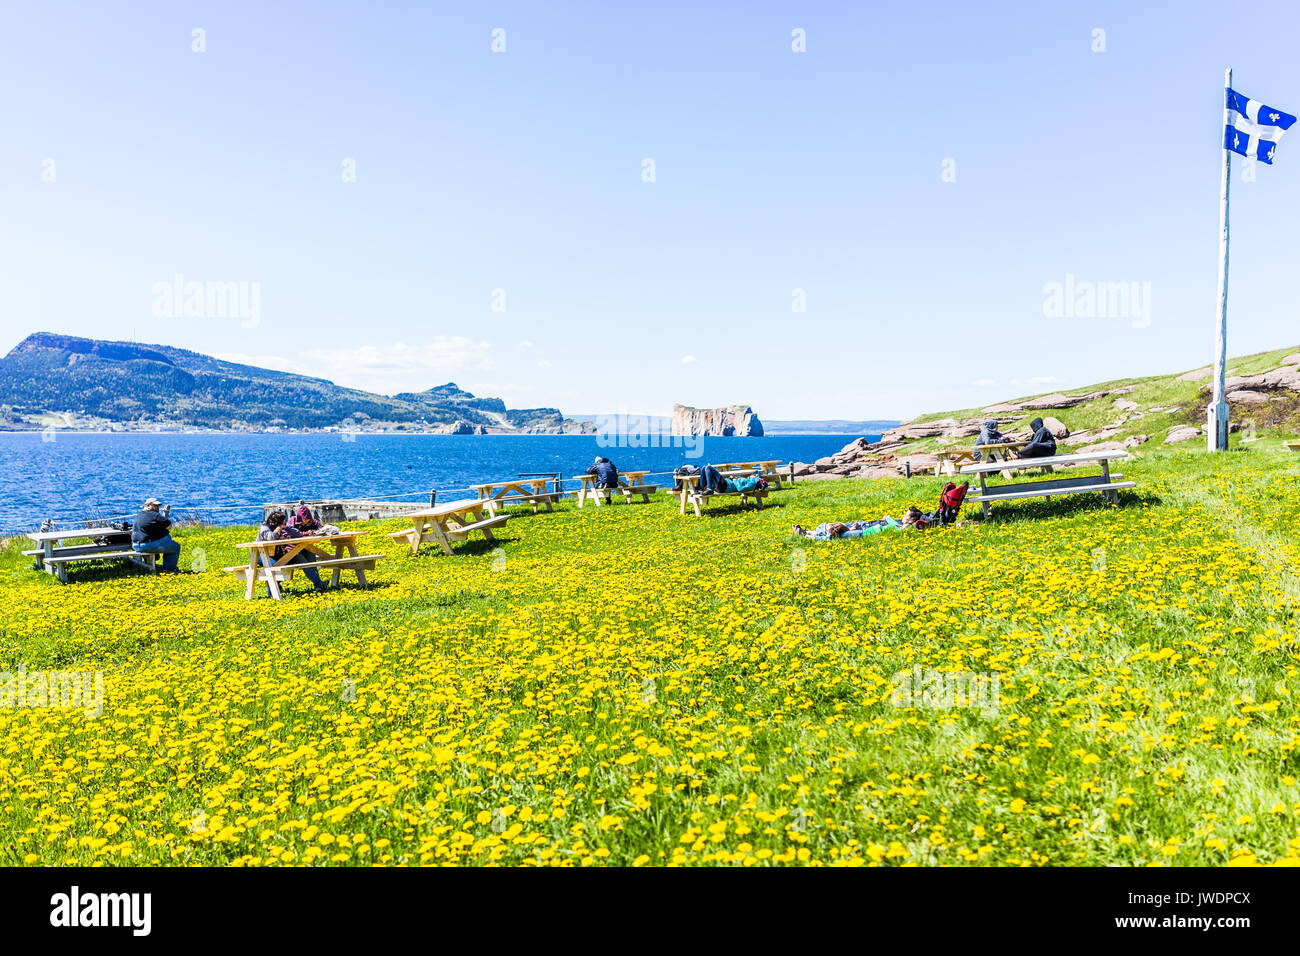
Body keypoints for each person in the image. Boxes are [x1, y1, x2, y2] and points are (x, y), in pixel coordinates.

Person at [257, 510, 327, 595]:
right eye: (282, 522)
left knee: (299, 556)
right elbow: (270, 538)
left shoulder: (283, 526)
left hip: (277, 555)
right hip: (262, 556)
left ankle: (318, 583)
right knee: (275, 566)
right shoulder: (264, 527)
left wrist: (286, 528)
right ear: (276, 522)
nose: (284, 523)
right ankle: (272, 592)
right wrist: (278, 529)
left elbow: (296, 533)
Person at [131, 497, 181, 572]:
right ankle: (170, 569)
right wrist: (164, 531)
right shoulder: (155, 515)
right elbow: (169, 525)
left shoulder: (138, 516)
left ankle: (154, 561)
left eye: (158, 506)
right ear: (147, 506)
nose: (157, 508)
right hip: (147, 546)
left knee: (166, 539)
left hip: (135, 546)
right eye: (155, 505)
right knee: (175, 546)